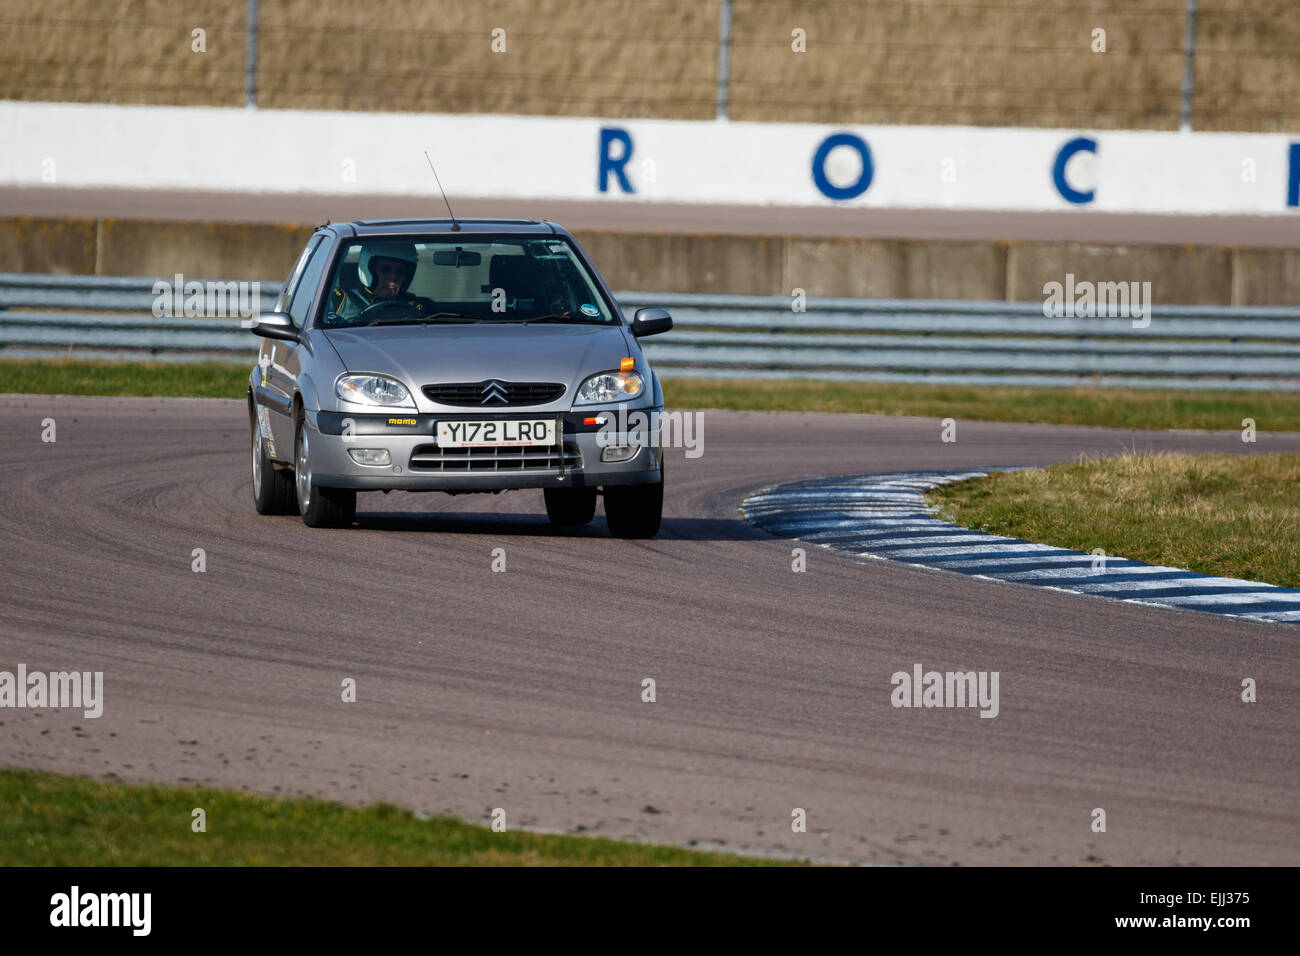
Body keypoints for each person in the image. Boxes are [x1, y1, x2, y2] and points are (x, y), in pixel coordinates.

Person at [328, 240, 435, 323]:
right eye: (385, 269)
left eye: (400, 271)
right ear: (367, 268)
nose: (393, 277)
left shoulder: (417, 308)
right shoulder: (339, 300)